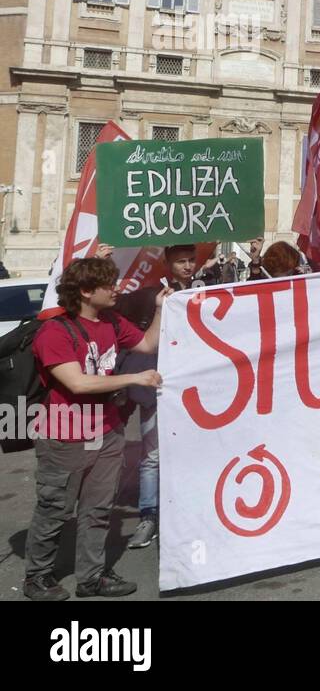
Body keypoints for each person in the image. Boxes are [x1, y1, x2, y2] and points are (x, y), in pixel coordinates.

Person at [23, 257, 169, 601]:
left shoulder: (112, 322)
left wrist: (160, 308)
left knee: (98, 509)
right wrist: (135, 377)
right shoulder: (54, 332)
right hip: (64, 437)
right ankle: (38, 577)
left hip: (107, 432)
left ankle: (92, 578)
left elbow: (147, 345)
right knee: (55, 508)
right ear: (86, 291)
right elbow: (78, 383)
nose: (116, 289)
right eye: (109, 284)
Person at [113, 244, 197, 551]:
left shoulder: (206, 288)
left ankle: (189, 511)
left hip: (194, 384)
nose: (187, 266)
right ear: (167, 264)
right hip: (158, 385)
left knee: (194, 451)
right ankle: (148, 516)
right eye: (181, 262)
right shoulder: (151, 295)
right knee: (152, 455)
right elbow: (116, 311)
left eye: (191, 261)